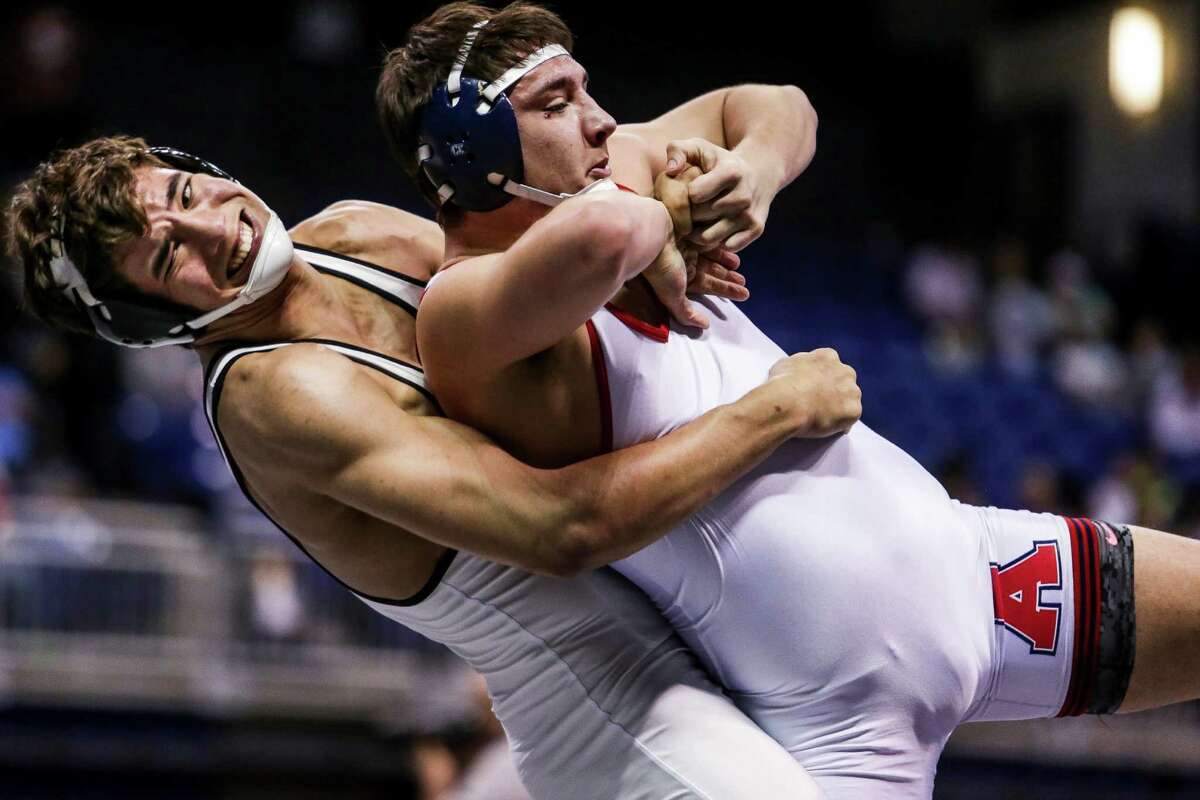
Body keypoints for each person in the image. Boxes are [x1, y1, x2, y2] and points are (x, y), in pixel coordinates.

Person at [390, 3, 1200, 797]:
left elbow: (780, 107)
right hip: (836, 730)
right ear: (474, 151)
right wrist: (665, 218)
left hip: (979, 574)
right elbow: (603, 239)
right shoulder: (461, 311)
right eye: (557, 104)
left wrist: (755, 177)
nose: (603, 124)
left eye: (587, 91)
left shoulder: (614, 184)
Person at [6, 136, 853, 798]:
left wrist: (660, 223)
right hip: (608, 695)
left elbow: (554, 300)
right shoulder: (272, 393)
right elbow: (564, 530)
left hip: (688, 606)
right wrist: (775, 410)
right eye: (169, 259)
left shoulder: (348, 232)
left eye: (188, 195)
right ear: (151, 322)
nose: (213, 226)